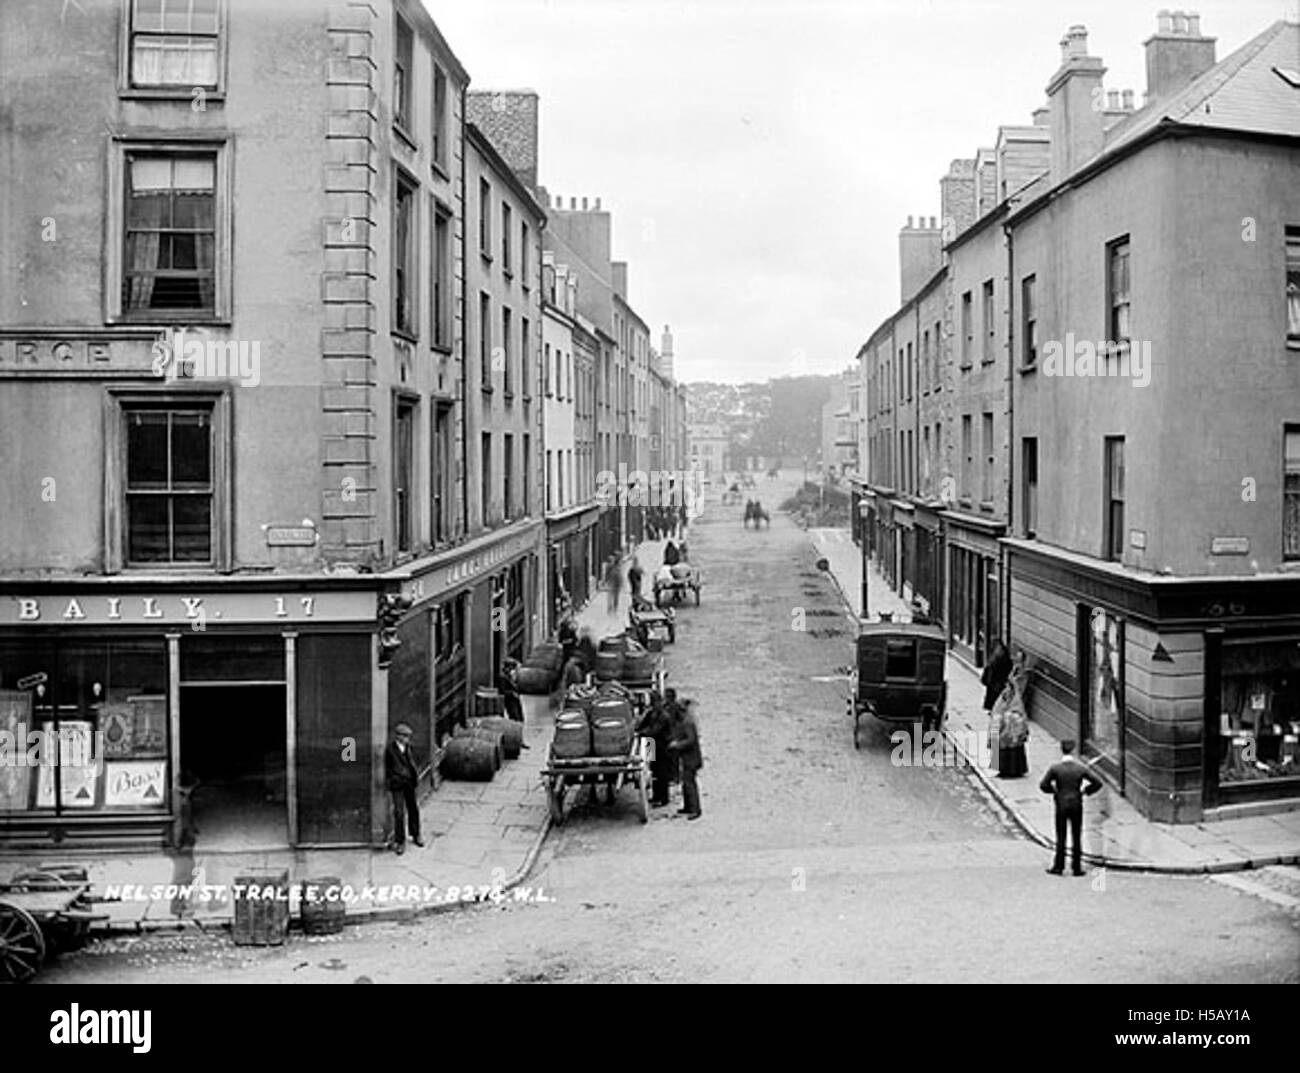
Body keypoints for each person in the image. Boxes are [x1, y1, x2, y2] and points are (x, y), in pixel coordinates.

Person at [1039, 739, 1102, 876]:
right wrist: (1085, 791)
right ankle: (1076, 867)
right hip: (1076, 803)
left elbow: (1043, 785)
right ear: (1073, 751)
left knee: (1061, 836)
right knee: (1076, 835)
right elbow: (1097, 783)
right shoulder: (1080, 768)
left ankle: (1058, 866)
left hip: (1061, 803)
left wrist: (1054, 791)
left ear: (1062, 750)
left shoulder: (1055, 768)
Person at [383, 723, 424, 854]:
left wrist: (414, 778)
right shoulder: (390, 749)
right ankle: (400, 841)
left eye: (408, 736)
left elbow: (413, 764)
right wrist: (393, 779)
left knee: (413, 808)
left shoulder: (409, 748)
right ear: (398, 736)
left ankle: (416, 834)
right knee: (399, 812)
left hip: (409, 783)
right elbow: (388, 768)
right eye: (405, 736)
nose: (407, 739)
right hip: (398, 784)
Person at [667, 697, 703, 820]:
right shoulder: (685, 722)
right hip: (688, 758)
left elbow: (690, 740)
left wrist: (677, 744)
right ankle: (688, 807)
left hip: (691, 759)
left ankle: (694, 809)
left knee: (689, 783)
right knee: (686, 783)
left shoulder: (687, 723)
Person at [636, 692, 674, 807]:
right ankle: (656, 796)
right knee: (653, 773)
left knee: (662, 774)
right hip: (650, 745)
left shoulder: (663, 716)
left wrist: (640, 733)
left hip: (661, 748)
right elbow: (642, 725)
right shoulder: (651, 713)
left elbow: (654, 731)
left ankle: (663, 798)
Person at [981, 640, 1012, 771]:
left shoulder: (993, 661)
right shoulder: (1007, 663)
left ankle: (995, 763)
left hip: (995, 699)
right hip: (1002, 706)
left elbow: (985, 677)